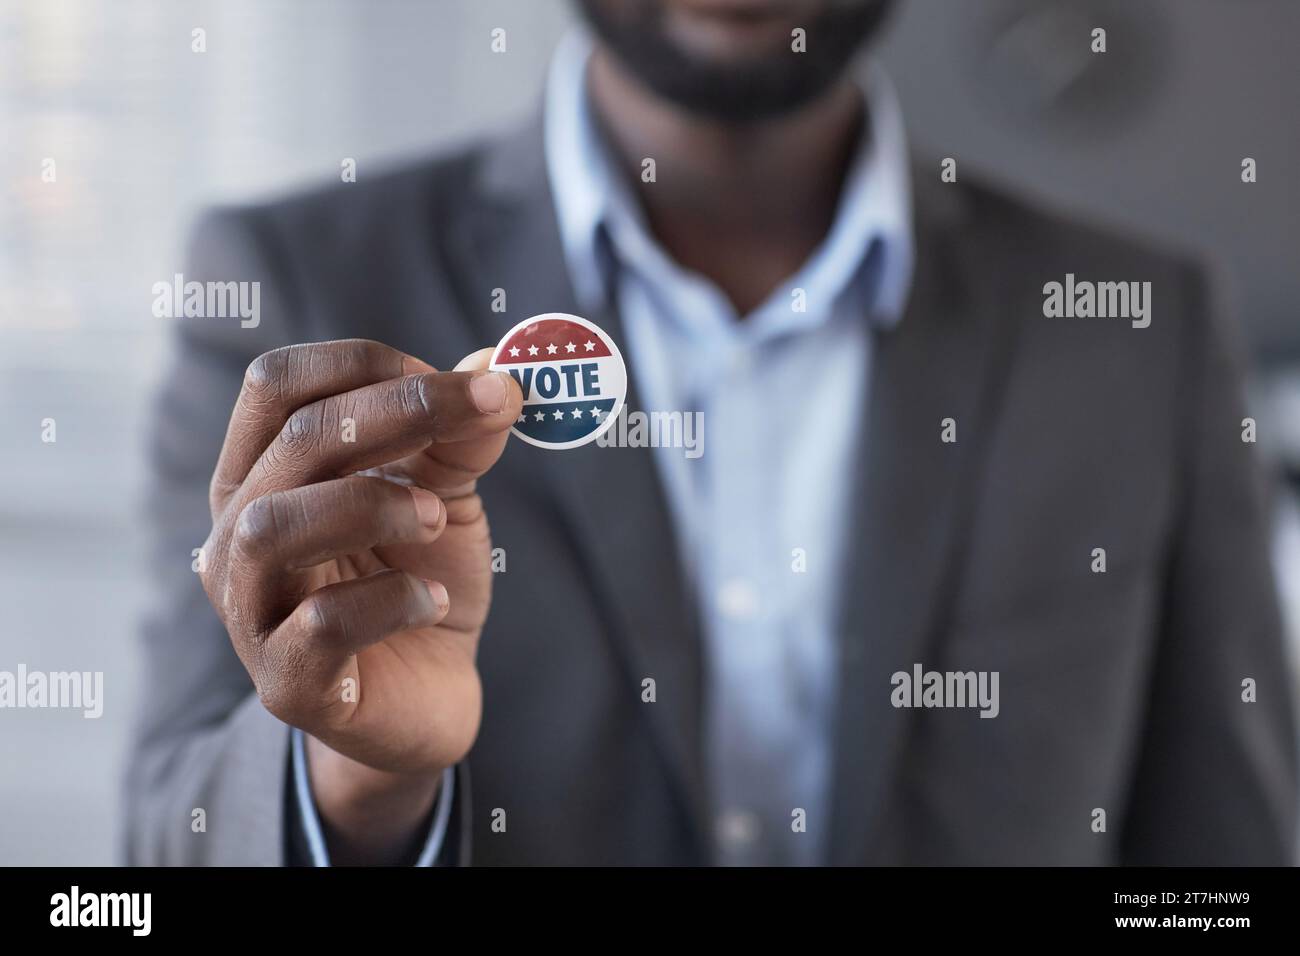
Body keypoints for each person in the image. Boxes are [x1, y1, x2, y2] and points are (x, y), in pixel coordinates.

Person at [127, 0, 1297, 866]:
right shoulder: (298, 282)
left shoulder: (1141, 323)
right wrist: (355, 779)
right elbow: (157, 843)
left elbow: (1229, 852)